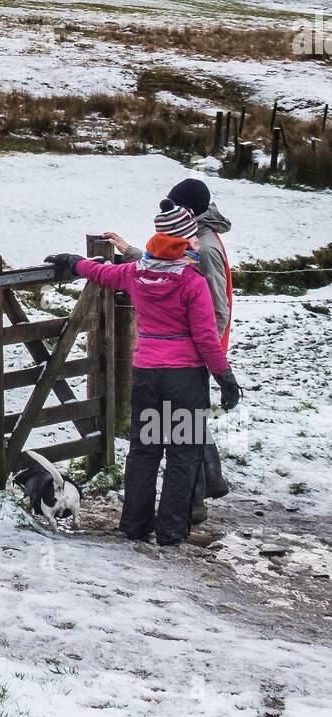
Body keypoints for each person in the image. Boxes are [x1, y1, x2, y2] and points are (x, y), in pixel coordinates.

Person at [47, 199, 241, 548]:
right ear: (181, 242)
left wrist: (74, 262)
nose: (197, 243)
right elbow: (206, 337)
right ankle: (170, 530)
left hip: (148, 375)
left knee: (145, 449)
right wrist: (225, 378)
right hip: (184, 380)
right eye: (192, 239)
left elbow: (101, 273)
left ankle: (134, 524)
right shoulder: (191, 282)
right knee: (183, 452)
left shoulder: (138, 272)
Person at [103, 177, 232, 520]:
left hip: (192, 355)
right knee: (186, 425)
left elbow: (218, 307)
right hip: (186, 356)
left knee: (179, 435)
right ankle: (209, 485)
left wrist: (208, 358)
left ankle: (192, 506)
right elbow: (165, 259)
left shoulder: (204, 248)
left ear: (187, 210)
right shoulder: (195, 239)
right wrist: (131, 252)